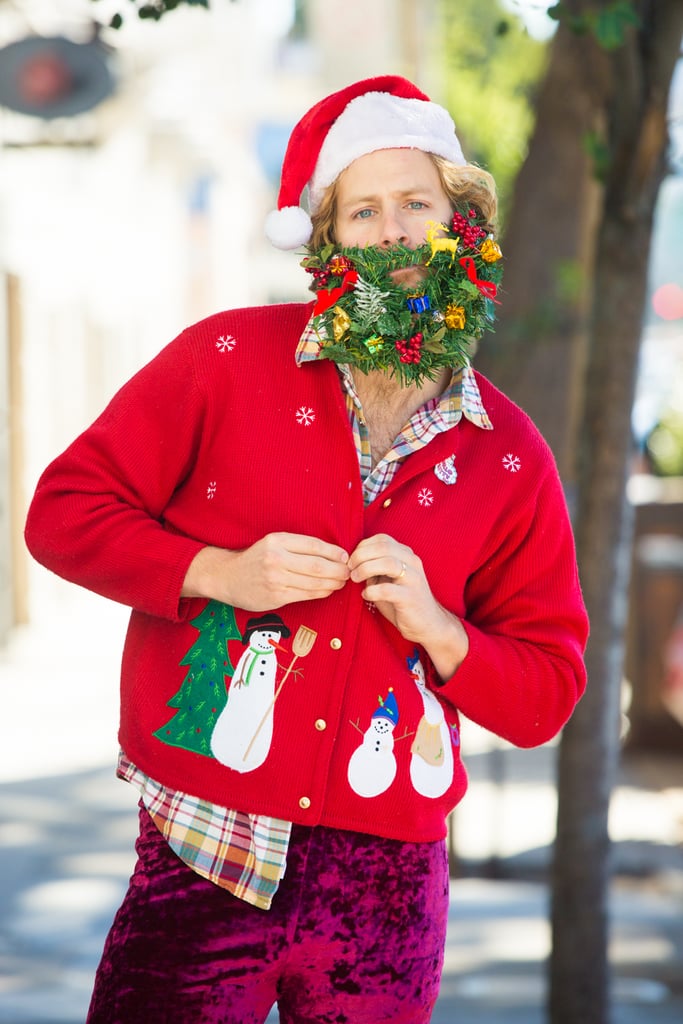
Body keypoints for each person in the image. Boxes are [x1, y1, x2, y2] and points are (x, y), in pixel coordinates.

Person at [24, 75, 589, 1024]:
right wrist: (217, 573)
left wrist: (441, 629)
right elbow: (63, 511)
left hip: (389, 887)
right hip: (204, 848)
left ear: (461, 222)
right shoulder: (226, 362)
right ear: (327, 240)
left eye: (417, 202)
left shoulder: (509, 455)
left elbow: (545, 693)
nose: (396, 230)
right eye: (363, 210)